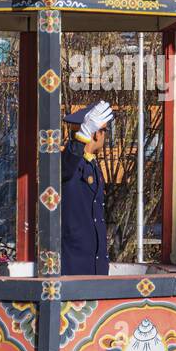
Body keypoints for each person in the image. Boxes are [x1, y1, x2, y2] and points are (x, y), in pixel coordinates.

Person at [61, 100, 113, 276]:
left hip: (94, 265)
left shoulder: (92, 164)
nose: (105, 136)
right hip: (75, 266)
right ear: (96, 134)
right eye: (104, 130)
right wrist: (82, 136)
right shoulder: (70, 163)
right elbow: (68, 163)